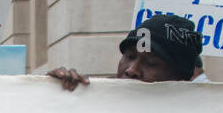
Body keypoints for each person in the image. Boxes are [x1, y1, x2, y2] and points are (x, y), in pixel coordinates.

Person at [49, 13, 204, 88]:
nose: (132, 70)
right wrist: (49, 92)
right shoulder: (90, 101)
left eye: (150, 63)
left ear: (180, 78)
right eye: (129, 56)